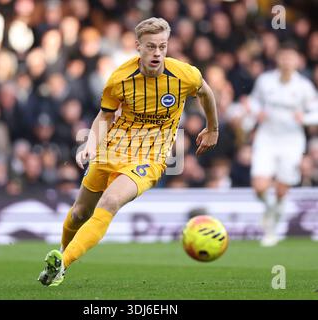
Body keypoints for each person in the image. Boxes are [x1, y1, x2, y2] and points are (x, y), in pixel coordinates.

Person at [38, 17, 219, 287]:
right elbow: (104, 116)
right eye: (150, 47)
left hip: (150, 158)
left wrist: (212, 128)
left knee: (110, 202)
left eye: (162, 46)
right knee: (79, 213)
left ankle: (62, 263)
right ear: (138, 47)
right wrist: (90, 144)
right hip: (112, 151)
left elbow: (205, 93)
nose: (157, 53)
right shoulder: (119, 78)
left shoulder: (184, 75)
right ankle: (62, 258)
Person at [247, 43, 318, 247]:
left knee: (280, 190)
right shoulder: (265, 81)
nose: (287, 62)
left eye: (291, 58)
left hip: (291, 141)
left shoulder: (304, 86)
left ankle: (271, 230)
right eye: (283, 57)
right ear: (278, 59)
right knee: (259, 186)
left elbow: (316, 112)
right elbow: (254, 101)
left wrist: (304, 118)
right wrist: (255, 111)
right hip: (266, 138)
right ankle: (270, 211)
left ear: (297, 61)